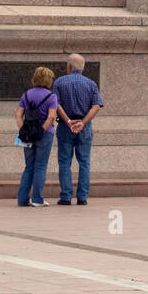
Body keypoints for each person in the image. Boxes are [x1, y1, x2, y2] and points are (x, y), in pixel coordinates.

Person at [52, 53, 104, 205]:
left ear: (69, 66)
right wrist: (83, 122)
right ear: (82, 68)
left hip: (65, 126)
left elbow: (56, 104)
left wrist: (68, 121)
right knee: (84, 162)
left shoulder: (59, 82)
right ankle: (82, 197)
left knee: (64, 162)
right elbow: (96, 106)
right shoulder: (91, 84)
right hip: (85, 127)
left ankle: (66, 196)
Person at [16, 67, 59, 207]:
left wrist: (23, 129)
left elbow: (18, 114)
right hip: (44, 135)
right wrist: (42, 130)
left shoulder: (26, 95)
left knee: (29, 166)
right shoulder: (51, 96)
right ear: (48, 80)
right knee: (40, 166)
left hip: (27, 135)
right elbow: (51, 116)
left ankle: (22, 199)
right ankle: (37, 199)